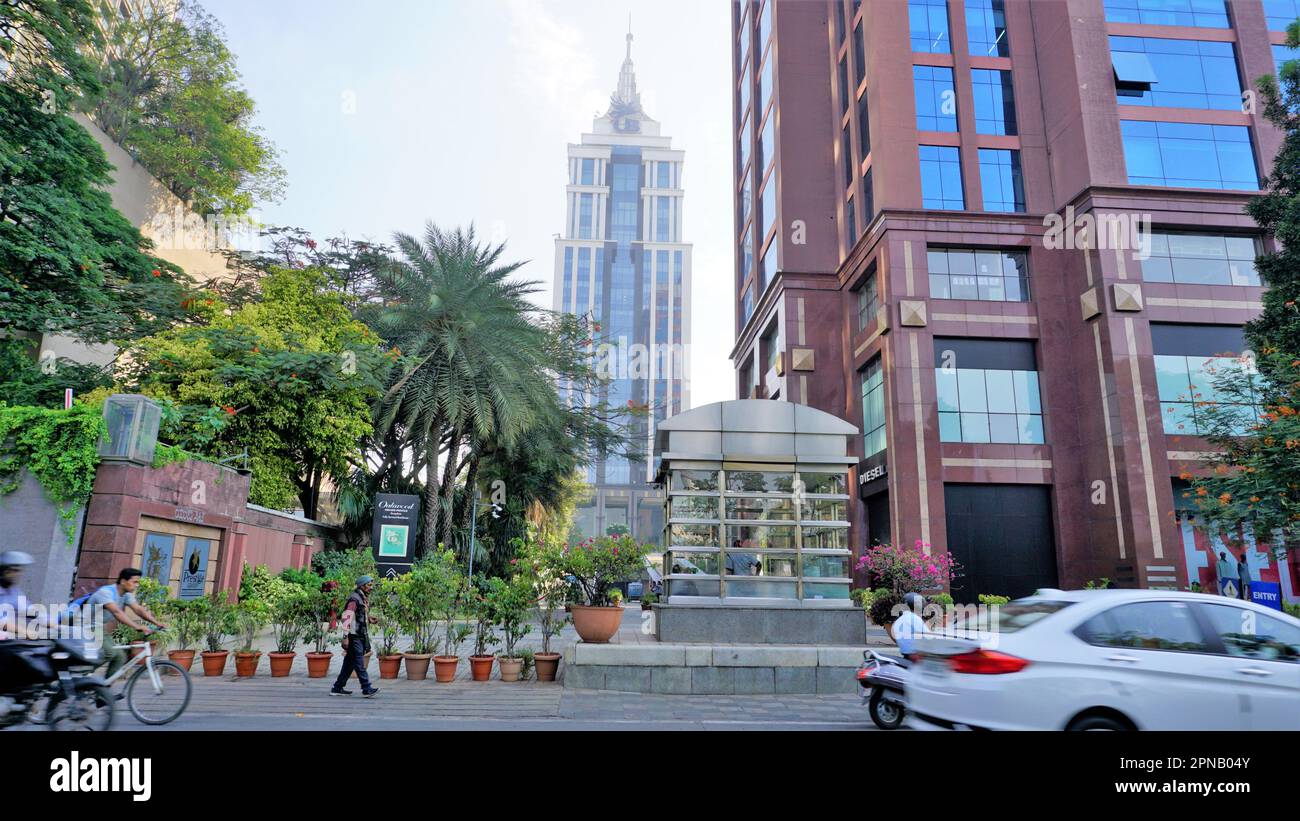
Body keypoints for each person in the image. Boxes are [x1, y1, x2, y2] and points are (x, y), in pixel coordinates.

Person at [86, 568, 167, 679]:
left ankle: (104, 689)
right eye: (134, 582)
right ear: (123, 581)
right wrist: (137, 627)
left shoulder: (126, 595)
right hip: (84, 627)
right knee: (110, 652)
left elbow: (138, 609)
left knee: (120, 656)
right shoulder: (106, 593)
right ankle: (83, 673)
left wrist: (157, 623)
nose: (137, 585)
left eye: (138, 582)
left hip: (98, 629)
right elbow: (116, 612)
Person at [331, 575, 379, 697]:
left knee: (349, 663)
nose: (371, 587)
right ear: (362, 586)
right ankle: (366, 688)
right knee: (359, 663)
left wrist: (368, 619)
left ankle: (337, 688)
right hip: (354, 636)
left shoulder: (361, 598)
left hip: (359, 635)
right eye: (368, 585)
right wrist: (345, 637)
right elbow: (347, 618)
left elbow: (357, 615)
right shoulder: (354, 599)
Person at [0, 551, 35, 640]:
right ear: (4, 571)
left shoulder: (14, 591)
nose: (18, 574)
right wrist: (25, 632)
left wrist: (57, 626)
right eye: (15, 570)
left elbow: (29, 610)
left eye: (19, 570)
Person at [891, 592, 929, 659]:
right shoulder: (914, 618)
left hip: (907, 655)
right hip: (918, 656)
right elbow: (928, 636)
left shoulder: (898, 620)